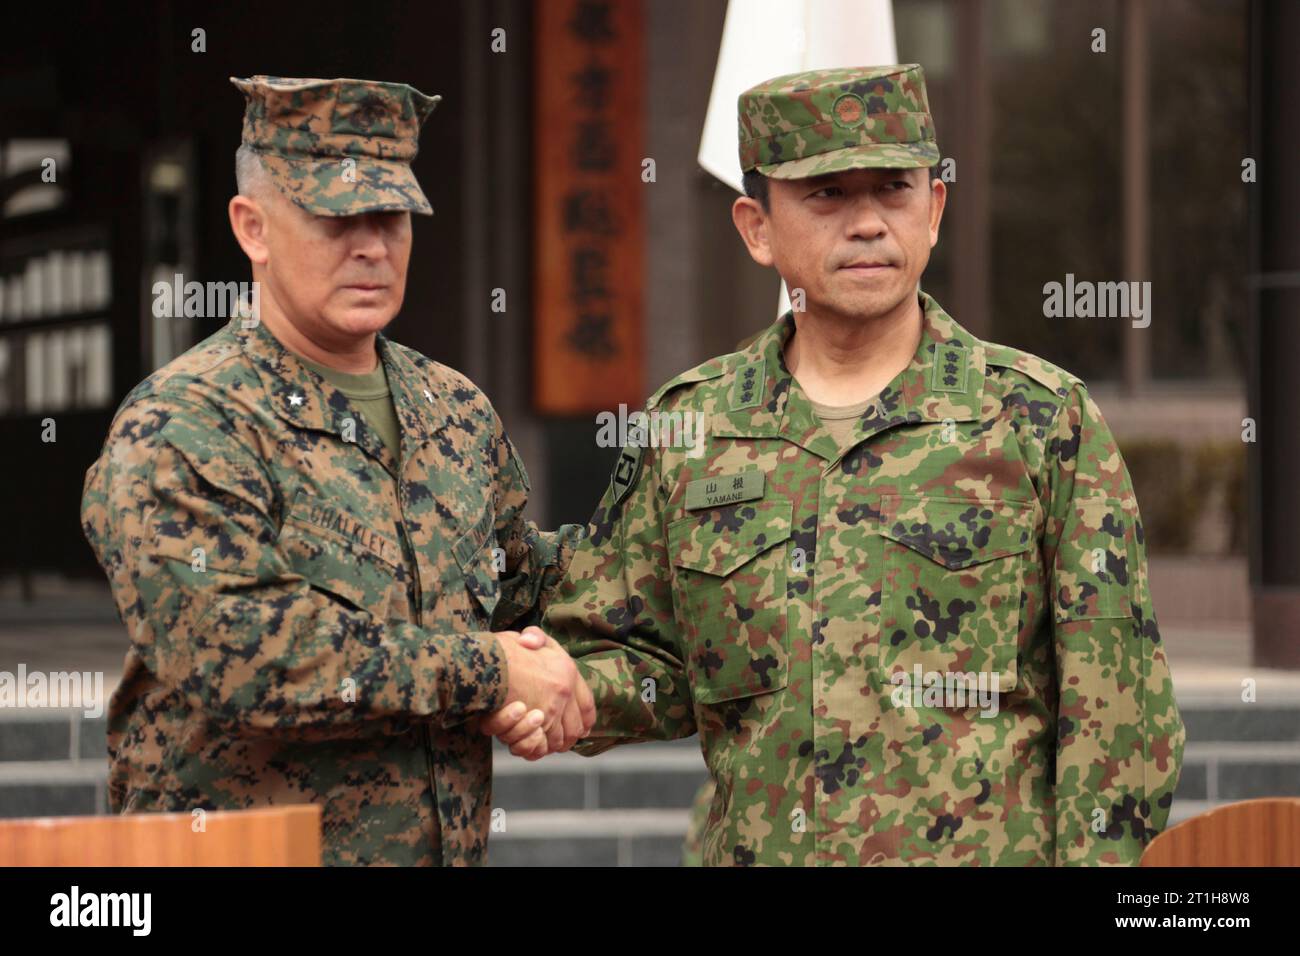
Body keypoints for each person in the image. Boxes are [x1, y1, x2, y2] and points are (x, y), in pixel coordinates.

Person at [484, 63, 1185, 865]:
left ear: (935, 210)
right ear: (756, 227)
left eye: (893, 189)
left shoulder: (1038, 417)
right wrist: (559, 695)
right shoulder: (692, 426)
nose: (867, 224)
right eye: (826, 196)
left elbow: (1119, 711)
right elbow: (646, 657)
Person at [80, 75, 593, 866]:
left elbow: (521, 585)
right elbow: (241, 651)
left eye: (390, 218)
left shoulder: (451, 409)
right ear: (252, 227)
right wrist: (489, 674)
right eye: (335, 216)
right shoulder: (184, 423)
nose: (371, 246)